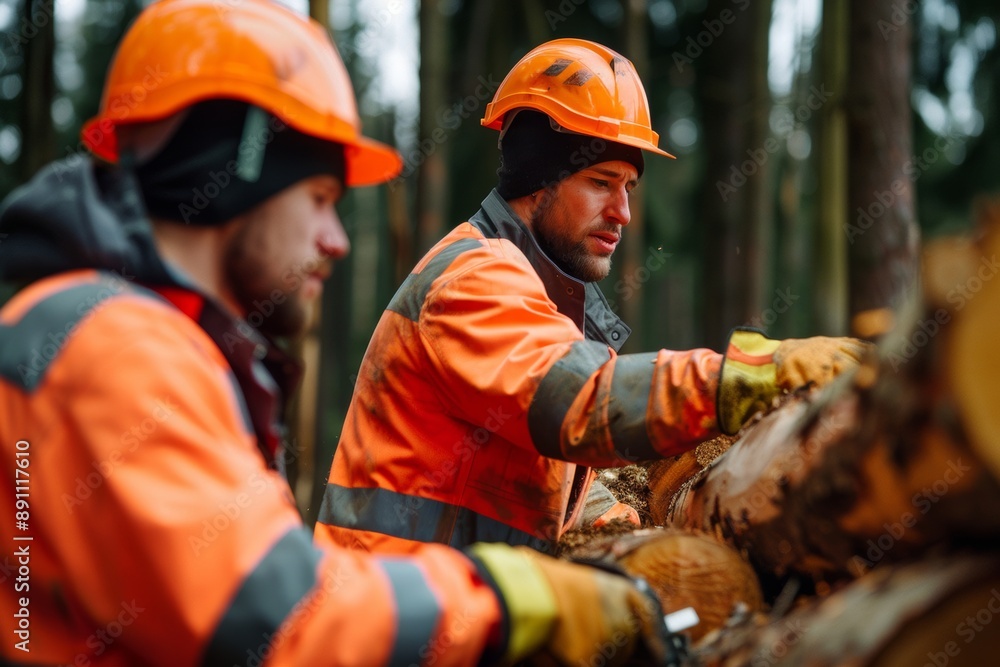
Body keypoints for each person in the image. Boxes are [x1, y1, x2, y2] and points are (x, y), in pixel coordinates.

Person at [0, 4, 672, 665]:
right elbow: (269, 619)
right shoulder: (115, 348)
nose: (336, 238)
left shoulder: (121, 333)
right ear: (237, 178)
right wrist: (511, 599)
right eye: (320, 197)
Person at [315, 38, 870, 555]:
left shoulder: (532, 291)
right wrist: (753, 373)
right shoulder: (474, 278)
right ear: (539, 178)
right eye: (601, 182)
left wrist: (616, 527)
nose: (623, 213)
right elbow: (578, 400)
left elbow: (529, 465)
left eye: (628, 188)